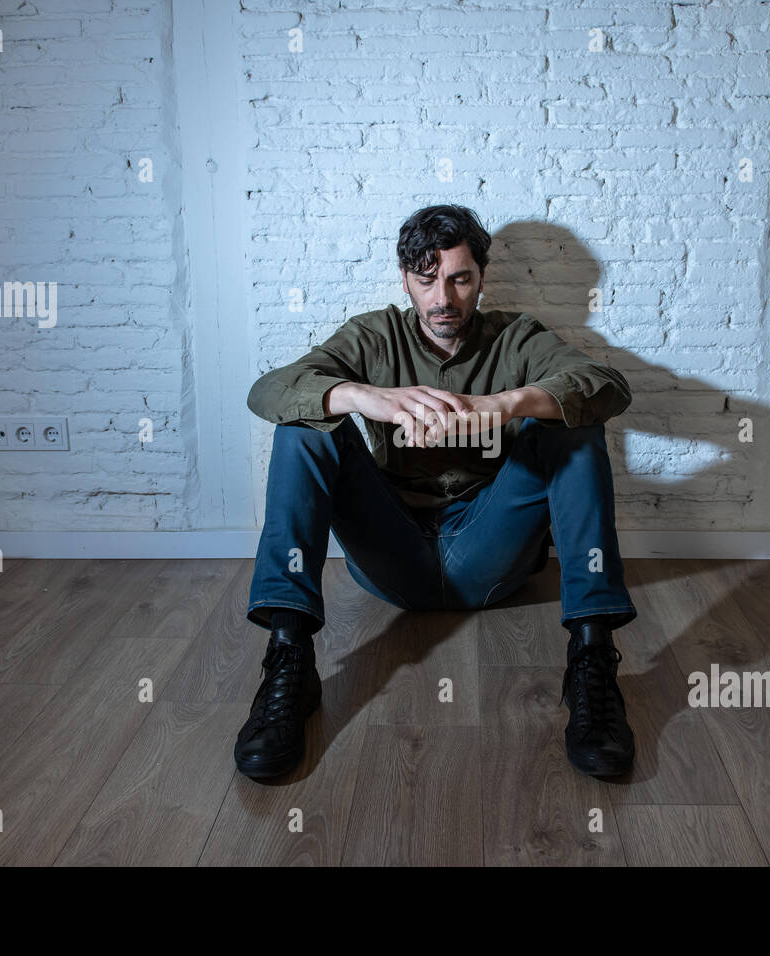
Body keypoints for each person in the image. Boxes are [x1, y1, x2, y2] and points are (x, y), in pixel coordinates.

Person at [236, 204, 638, 780]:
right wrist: (361, 396)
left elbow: (607, 387)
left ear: (481, 279)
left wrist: (504, 404)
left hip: (488, 551)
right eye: (426, 280)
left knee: (574, 425)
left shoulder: (517, 338)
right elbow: (269, 390)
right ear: (406, 281)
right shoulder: (375, 336)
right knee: (304, 427)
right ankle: (288, 663)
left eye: (459, 278)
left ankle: (593, 662)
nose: (442, 297)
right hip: (393, 552)